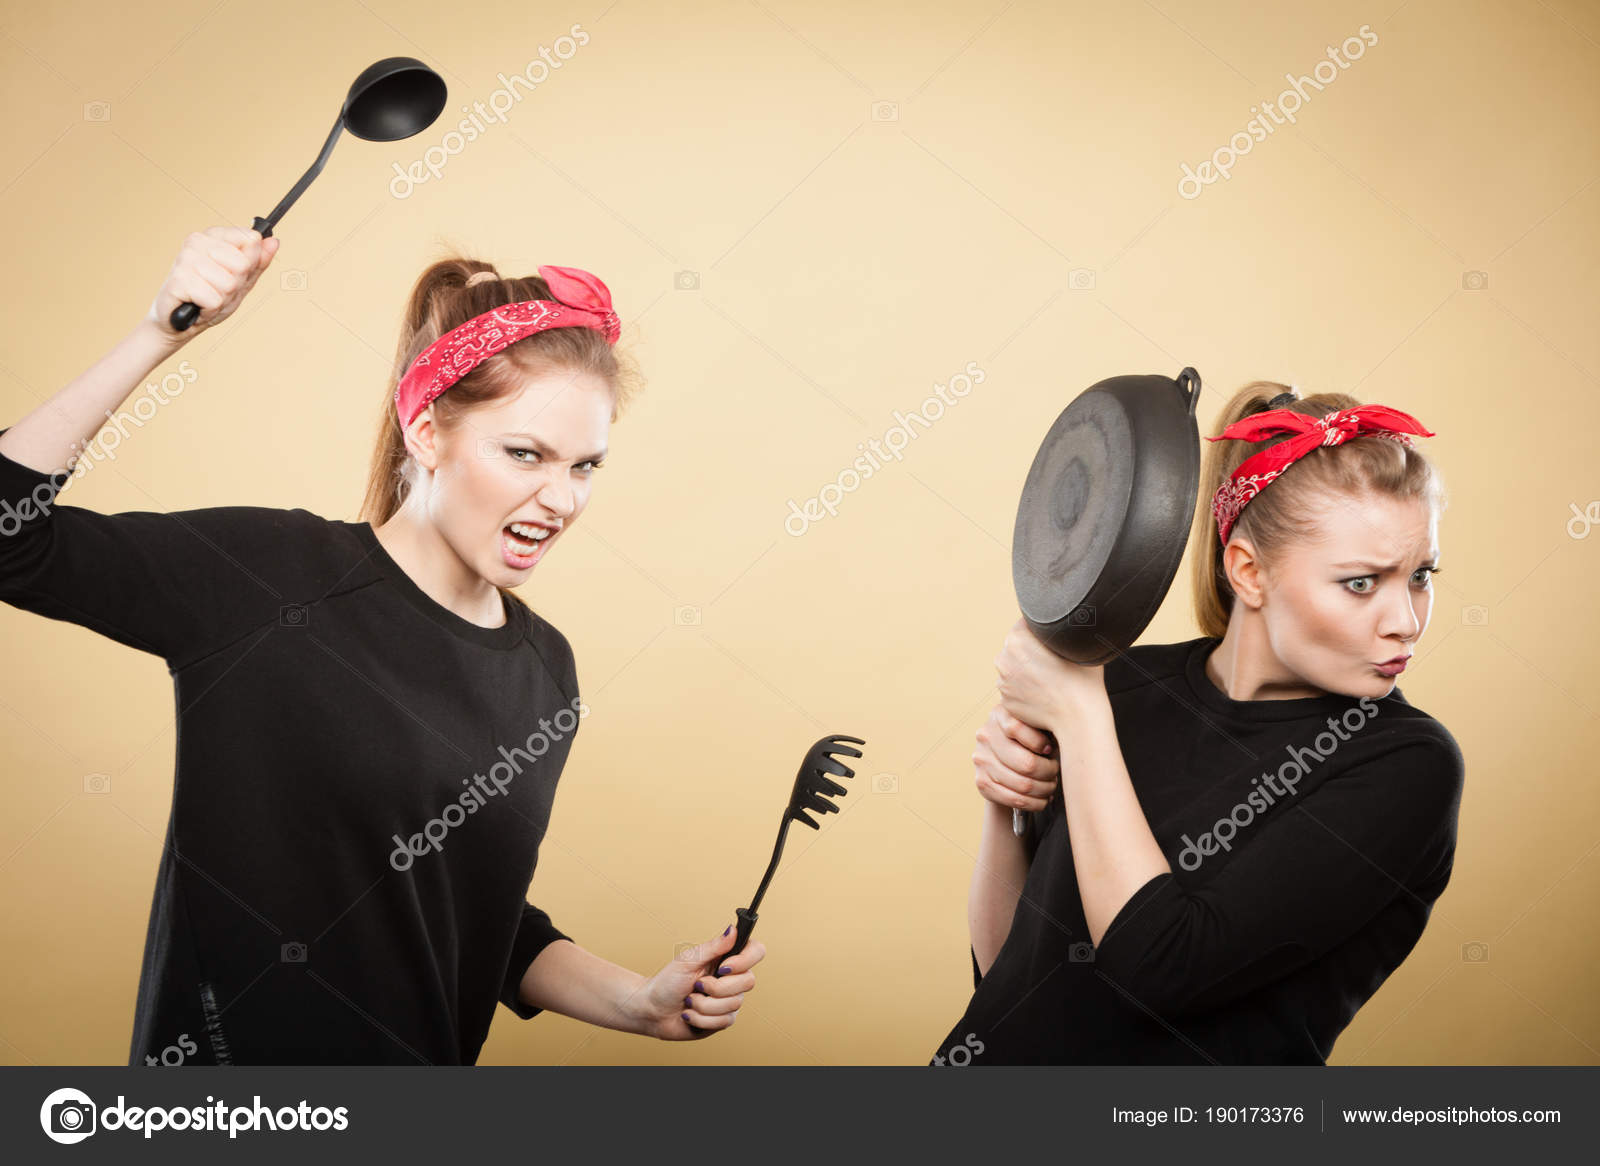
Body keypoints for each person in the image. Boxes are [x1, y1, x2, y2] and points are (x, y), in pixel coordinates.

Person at [0, 226, 763, 1065]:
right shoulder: (272, 583)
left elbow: (464, 909)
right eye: (524, 454)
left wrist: (640, 1003)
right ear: (427, 432)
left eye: (585, 466)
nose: (560, 498)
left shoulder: (547, 673)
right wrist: (160, 332)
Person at [932, 381, 1463, 1065]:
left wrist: (1078, 717)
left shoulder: (1404, 766)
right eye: (1362, 582)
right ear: (1248, 572)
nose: (1406, 621)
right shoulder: (1123, 685)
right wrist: (1007, 801)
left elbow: (1161, 971)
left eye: (1421, 575)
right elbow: (1008, 974)